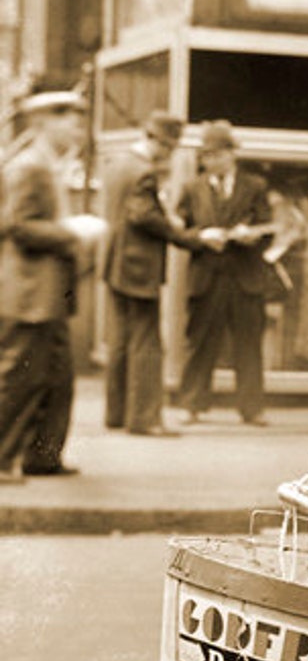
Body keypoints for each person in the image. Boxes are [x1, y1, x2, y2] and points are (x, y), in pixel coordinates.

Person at [101, 111, 216, 435]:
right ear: (156, 141)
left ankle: (117, 413)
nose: (167, 155)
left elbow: (132, 213)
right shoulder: (144, 173)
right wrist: (193, 237)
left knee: (121, 340)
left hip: (115, 262)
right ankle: (145, 419)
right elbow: (144, 217)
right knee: (147, 342)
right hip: (138, 267)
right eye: (168, 147)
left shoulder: (117, 163)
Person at [0, 83, 92, 481]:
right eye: (68, 121)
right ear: (42, 122)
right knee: (20, 378)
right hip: (29, 292)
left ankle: (43, 457)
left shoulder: (46, 163)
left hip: (47, 293)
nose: (77, 129)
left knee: (58, 379)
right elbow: (17, 226)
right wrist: (72, 232)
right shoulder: (30, 166)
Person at [175, 120, 273, 423]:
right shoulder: (191, 189)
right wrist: (202, 237)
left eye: (217, 154)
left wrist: (250, 234)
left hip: (245, 277)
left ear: (232, 154)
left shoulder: (255, 187)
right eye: (206, 156)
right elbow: (179, 231)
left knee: (248, 345)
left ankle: (252, 409)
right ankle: (192, 404)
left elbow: (269, 230)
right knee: (200, 342)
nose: (211, 161)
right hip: (207, 277)